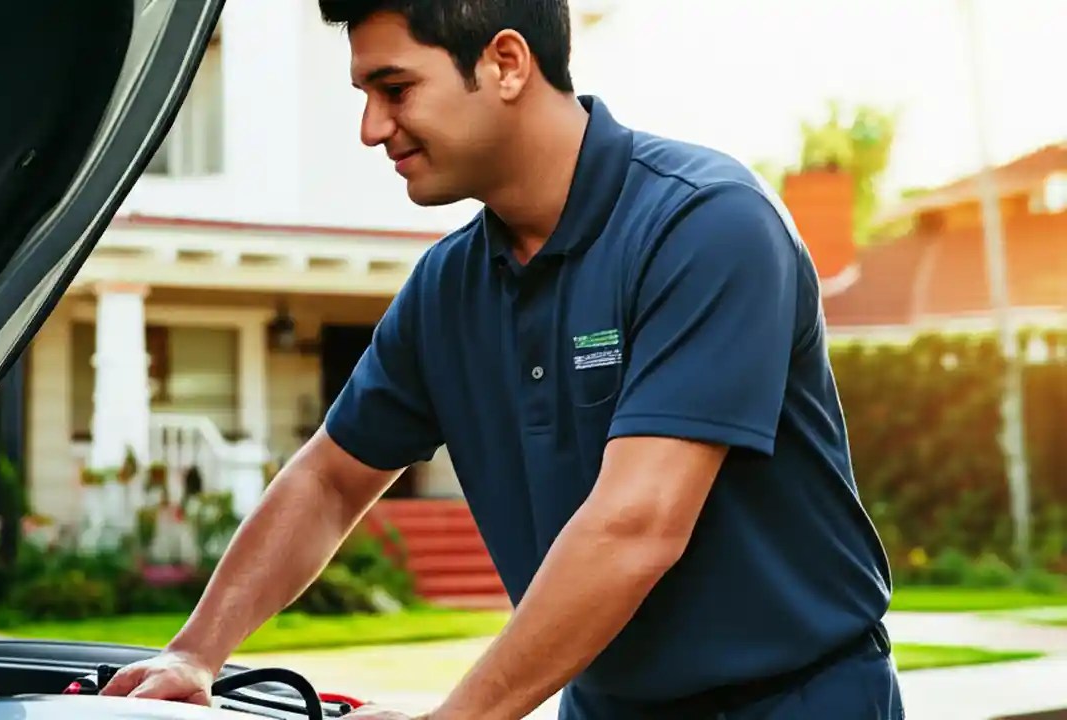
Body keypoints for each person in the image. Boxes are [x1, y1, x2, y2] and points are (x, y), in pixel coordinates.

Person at [101, 1, 904, 718]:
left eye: (395, 88)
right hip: (606, 704)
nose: (372, 128)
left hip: (796, 700)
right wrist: (196, 652)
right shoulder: (448, 288)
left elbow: (637, 526)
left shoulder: (705, 225)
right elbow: (328, 479)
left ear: (506, 63)